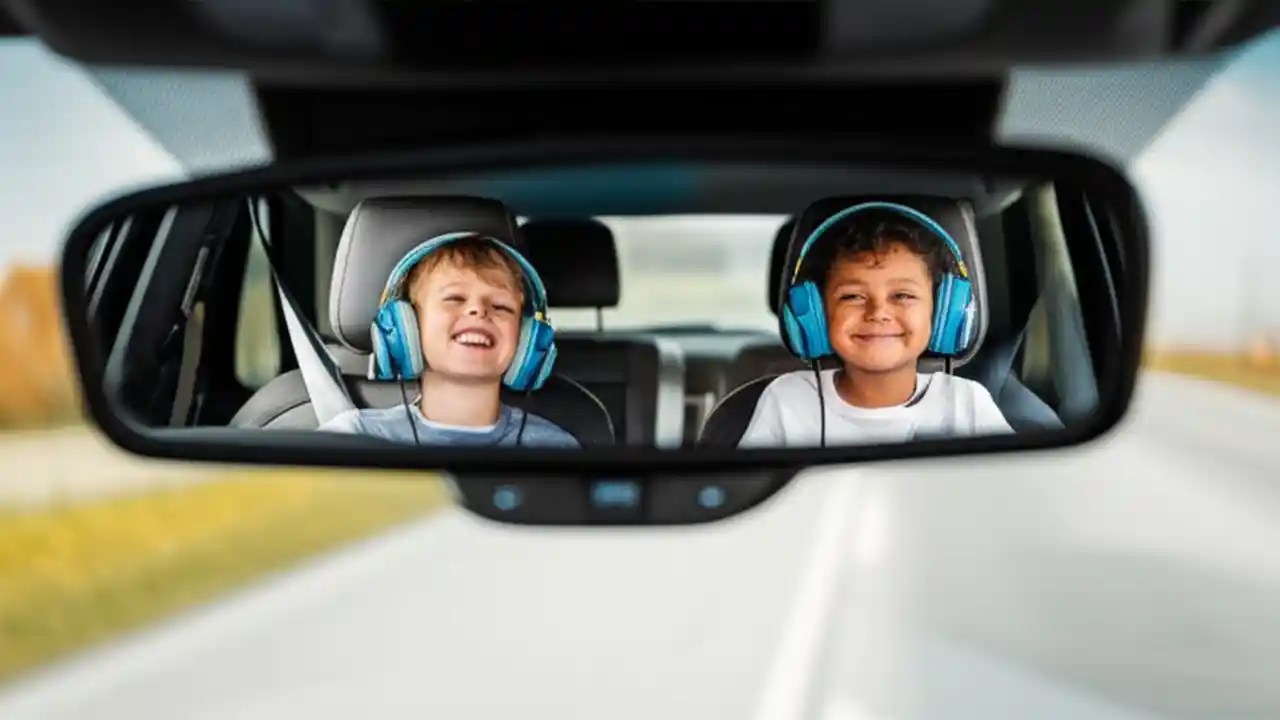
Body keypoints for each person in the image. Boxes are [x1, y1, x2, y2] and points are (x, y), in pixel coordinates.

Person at [739, 204, 1012, 448]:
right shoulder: (787, 402)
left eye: (902, 296)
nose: (878, 313)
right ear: (817, 315)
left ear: (944, 312)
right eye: (853, 296)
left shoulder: (967, 404)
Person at [319, 232, 580, 448]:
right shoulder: (355, 438)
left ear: (527, 341)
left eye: (501, 306)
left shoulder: (553, 447)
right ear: (404, 327)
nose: (479, 311)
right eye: (454, 299)